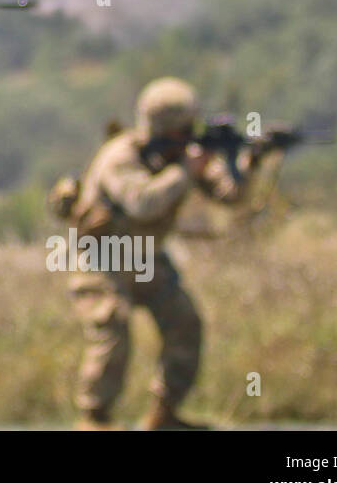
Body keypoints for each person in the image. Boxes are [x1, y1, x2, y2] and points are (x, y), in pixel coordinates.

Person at [63, 77, 259, 430]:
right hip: (104, 256)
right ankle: (94, 419)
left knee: (185, 321)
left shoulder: (183, 156)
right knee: (113, 325)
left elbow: (229, 195)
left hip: (145, 258)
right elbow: (143, 203)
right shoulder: (119, 156)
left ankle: (163, 416)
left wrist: (249, 163)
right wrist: (186, 170)